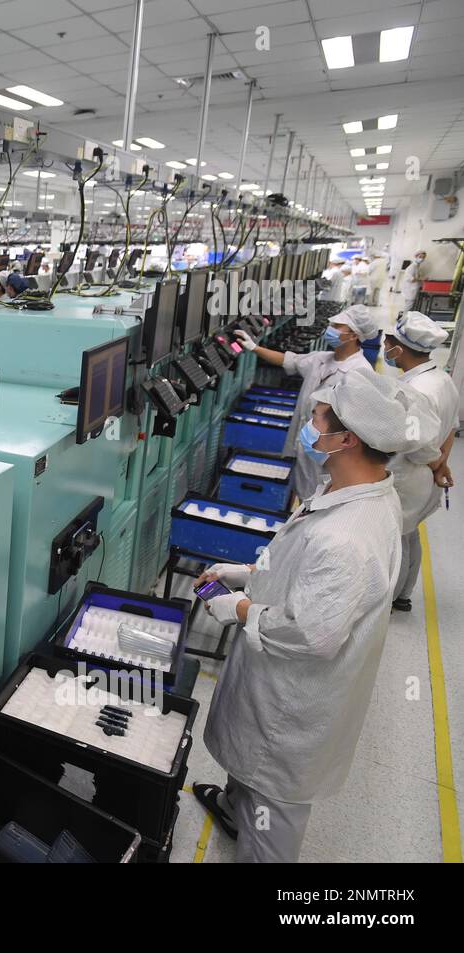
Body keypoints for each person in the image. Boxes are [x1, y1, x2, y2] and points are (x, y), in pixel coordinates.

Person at [192, 370, 418, 862]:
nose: (308, 424)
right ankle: (234, 807)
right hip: (273, 678)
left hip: (293, 704)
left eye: (317, 417)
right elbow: (303, 570)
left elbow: (312, 631)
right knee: (248, 774)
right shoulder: (356, 488)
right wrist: (251, 572)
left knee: (273, 807)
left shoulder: (348, 538)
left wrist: (241, 607)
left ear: (346, 438)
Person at [235, 303, 381, 500]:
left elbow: (360, 425)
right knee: (303, 494)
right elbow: (289, 360)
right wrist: (253, 347)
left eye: (337, 327)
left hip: (329, 455)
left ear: (353, 335)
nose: (330, 330)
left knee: (321, 499)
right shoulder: (322, 358)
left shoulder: (361, 373)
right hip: (306, 444)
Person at [383, 312, 459, 612]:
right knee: (409, 534)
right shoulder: (441, 379)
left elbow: (418, 447)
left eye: (388, 342)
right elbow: (450, 427)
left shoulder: (417, 391)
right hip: (427, 475)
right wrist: (441, 465)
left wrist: (435, 464)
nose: (385, 347)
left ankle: (388, 600)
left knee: (394, 539)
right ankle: (403, 595)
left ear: (398, 349)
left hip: (410, 474)